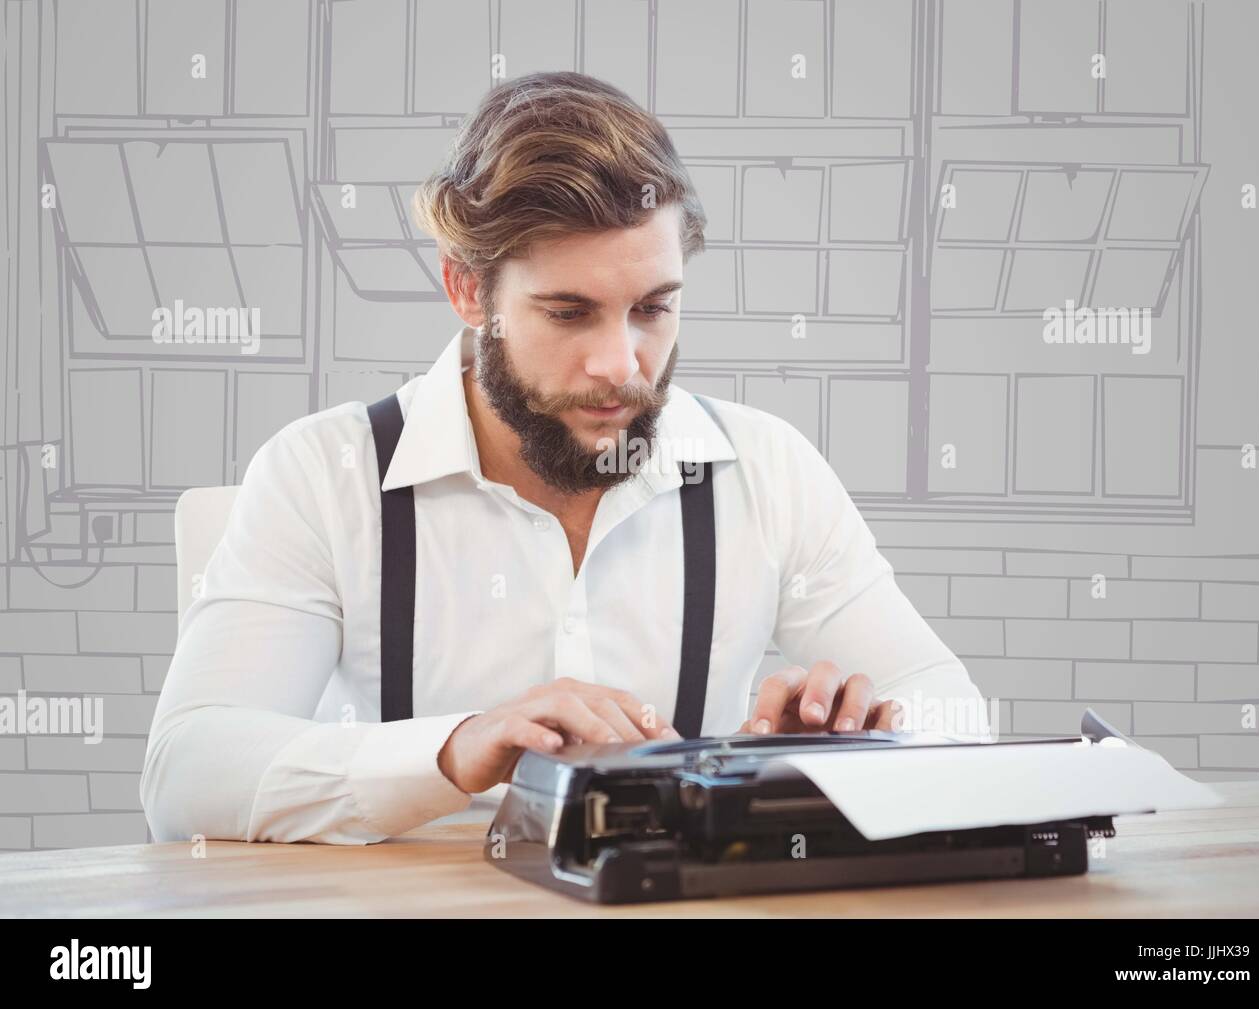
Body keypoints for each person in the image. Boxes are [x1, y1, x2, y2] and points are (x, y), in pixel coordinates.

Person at [141, 71, 989, 845]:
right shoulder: (322, 477)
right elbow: (187, 771)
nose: (621, 363)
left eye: (652, 308)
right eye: (569, 312)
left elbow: (955, 707)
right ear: (470, 291)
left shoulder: (765, 470)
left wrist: (863, 746)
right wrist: (454, 747)